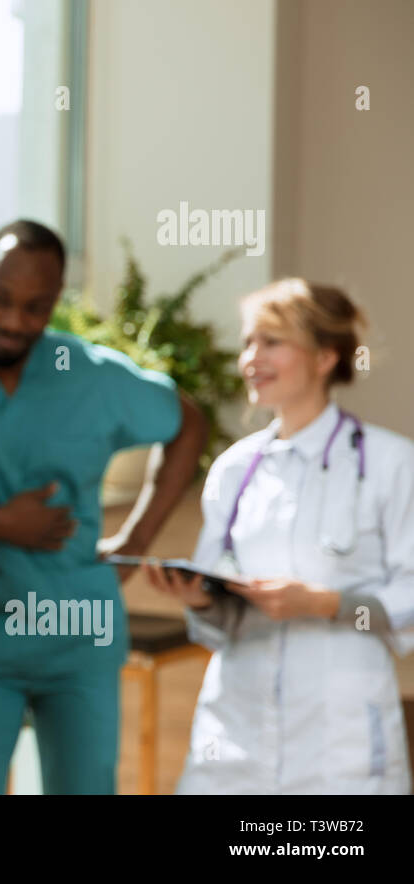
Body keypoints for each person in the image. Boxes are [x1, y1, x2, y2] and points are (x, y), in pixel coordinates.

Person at [0, 219, 208, 794]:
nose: (14, 321)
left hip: (80, 634)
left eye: (36, 307)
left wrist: (136, 542)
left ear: (57, 303)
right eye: (0, 299)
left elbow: (188, 423)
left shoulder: (90, 375)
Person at [146, 278, 413, 793]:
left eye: (272, 342)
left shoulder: (389, 463)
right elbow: (221, 604)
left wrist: (323, 603)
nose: (251, 358)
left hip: (340, 734)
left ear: (324, 357)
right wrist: (200, 600)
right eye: (248, 342)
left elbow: (409, 596)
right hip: (238, 722)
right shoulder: (234, 469)